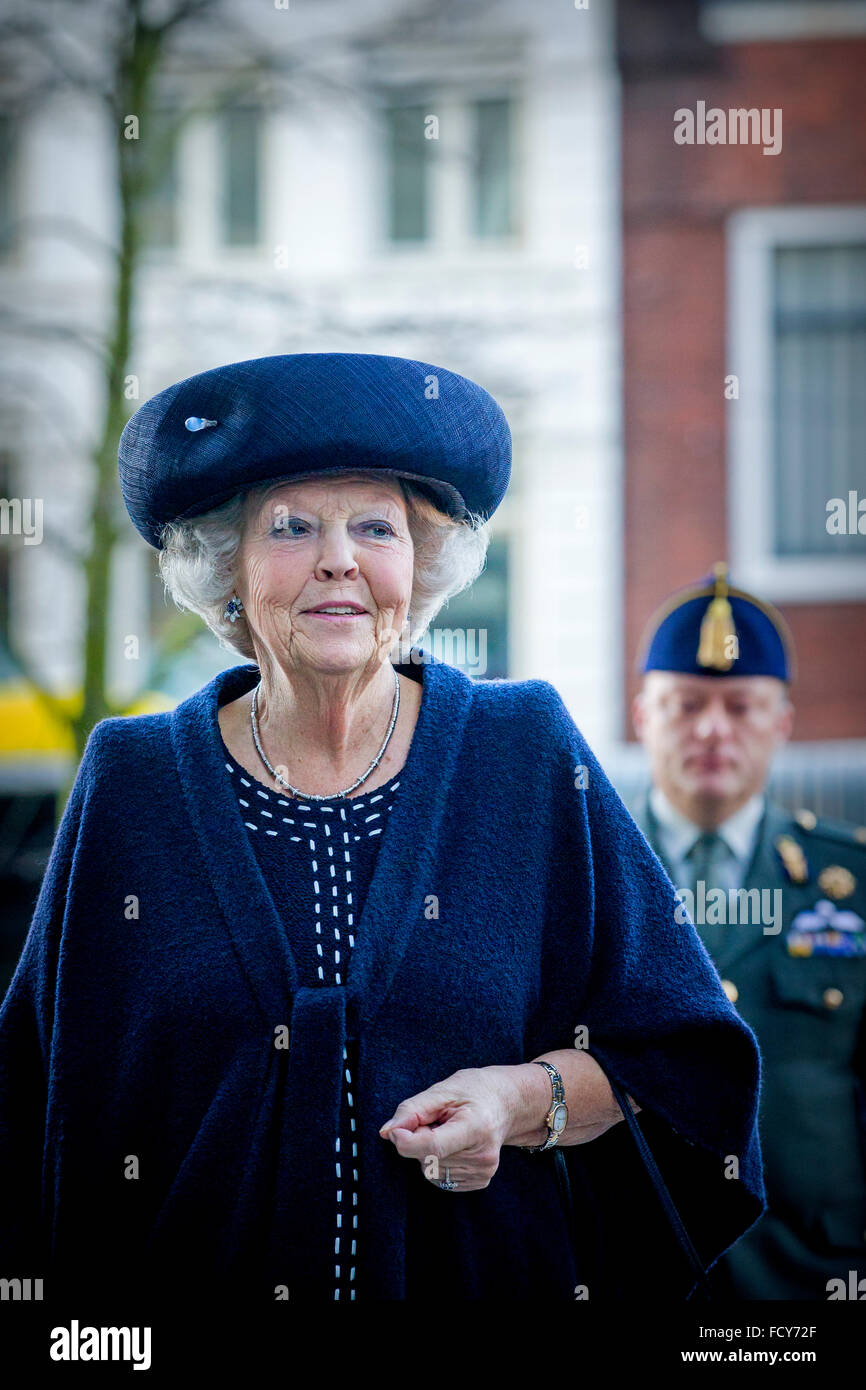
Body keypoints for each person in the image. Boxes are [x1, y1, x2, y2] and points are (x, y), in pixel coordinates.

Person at [0, 355, 764, 1310]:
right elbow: (37, 1103)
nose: (339, 559)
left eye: (376, 527)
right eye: (291, 527)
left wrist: (518, 1102)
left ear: (421, 564)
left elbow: (677, 1057)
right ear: (225, 565)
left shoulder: (523, 750)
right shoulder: (131, 780)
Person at [631, 563, 866, 1300]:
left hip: (809, 1279)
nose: (711, 729)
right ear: (643, 716)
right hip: (634, 1274)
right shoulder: (579, 874)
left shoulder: (852, 883)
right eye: (686, 704)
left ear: (782, 723)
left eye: (740, 706)